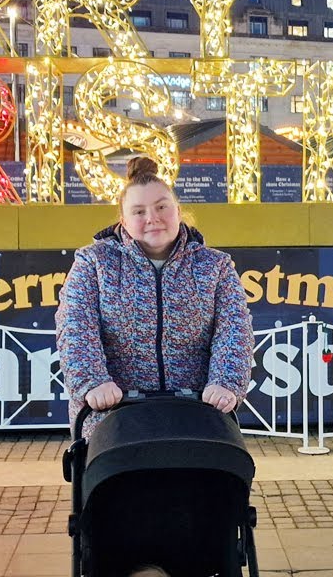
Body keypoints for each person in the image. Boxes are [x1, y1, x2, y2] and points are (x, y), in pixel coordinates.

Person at [56, 156, 254, 437]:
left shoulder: (215, 266)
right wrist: (93, 382)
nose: (152, 218)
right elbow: (75, 326)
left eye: (162, 207)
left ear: (178, 210)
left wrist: (225, 383)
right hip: (114, 422)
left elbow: (234, 330)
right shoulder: (93, 263)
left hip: (195, 418)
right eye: (139, 211)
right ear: (124, 221)